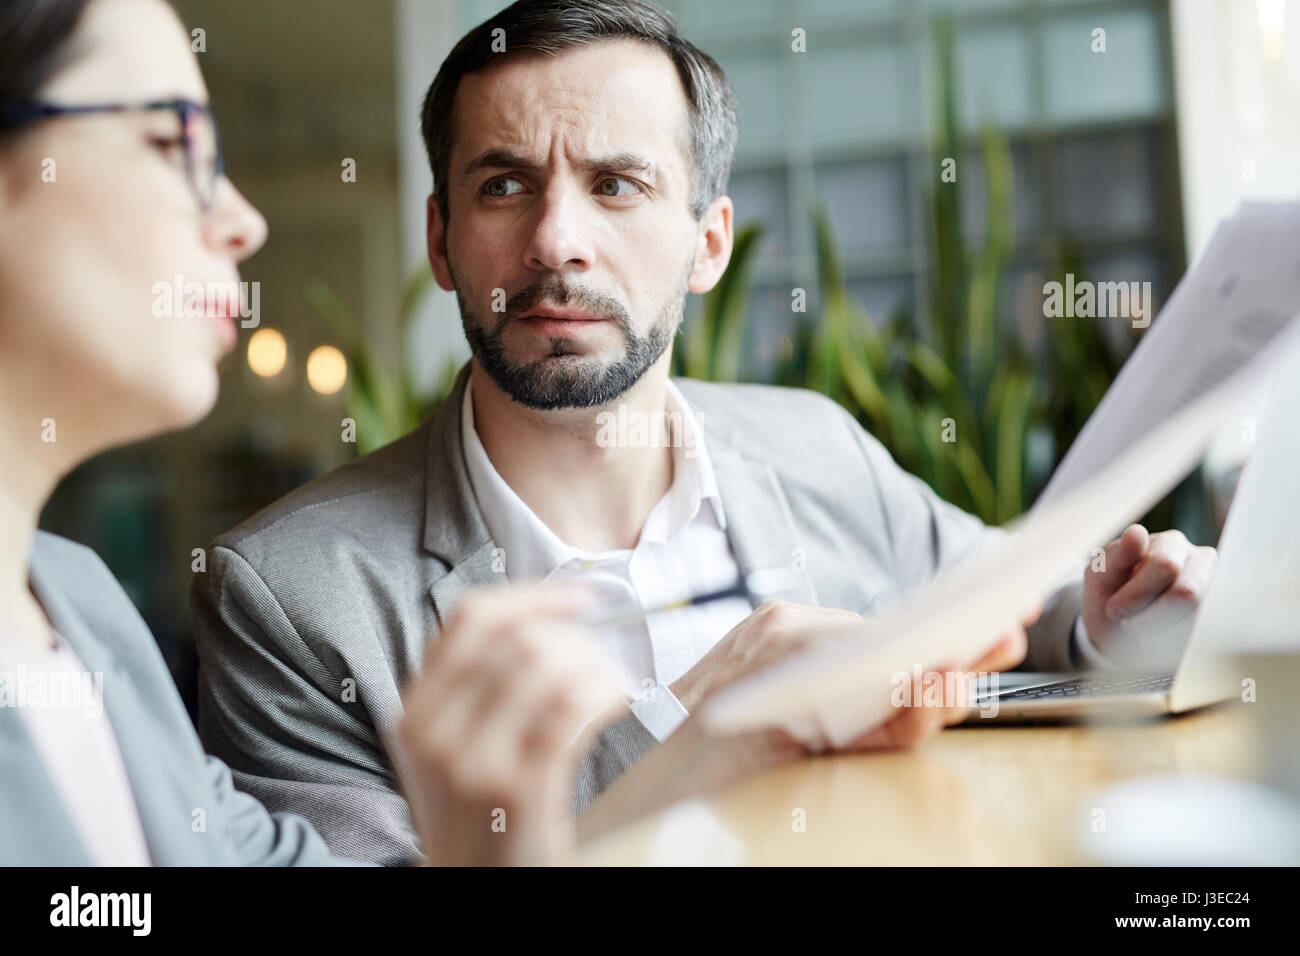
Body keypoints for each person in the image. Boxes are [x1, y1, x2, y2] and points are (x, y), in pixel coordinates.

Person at [191, 0, 1220, 866]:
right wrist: (702, 729)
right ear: (441, 240)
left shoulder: (816, 445)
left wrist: (1109, 622)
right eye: (504, 184)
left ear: (708, 244)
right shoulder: (291, 598)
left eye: (616, 184)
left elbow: (1016, 607)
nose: (557, 240)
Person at [0, 0, 627, 866]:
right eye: (171, 141)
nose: (244, 221)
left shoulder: (82, 604)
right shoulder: (277, 593)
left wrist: (720, 740)